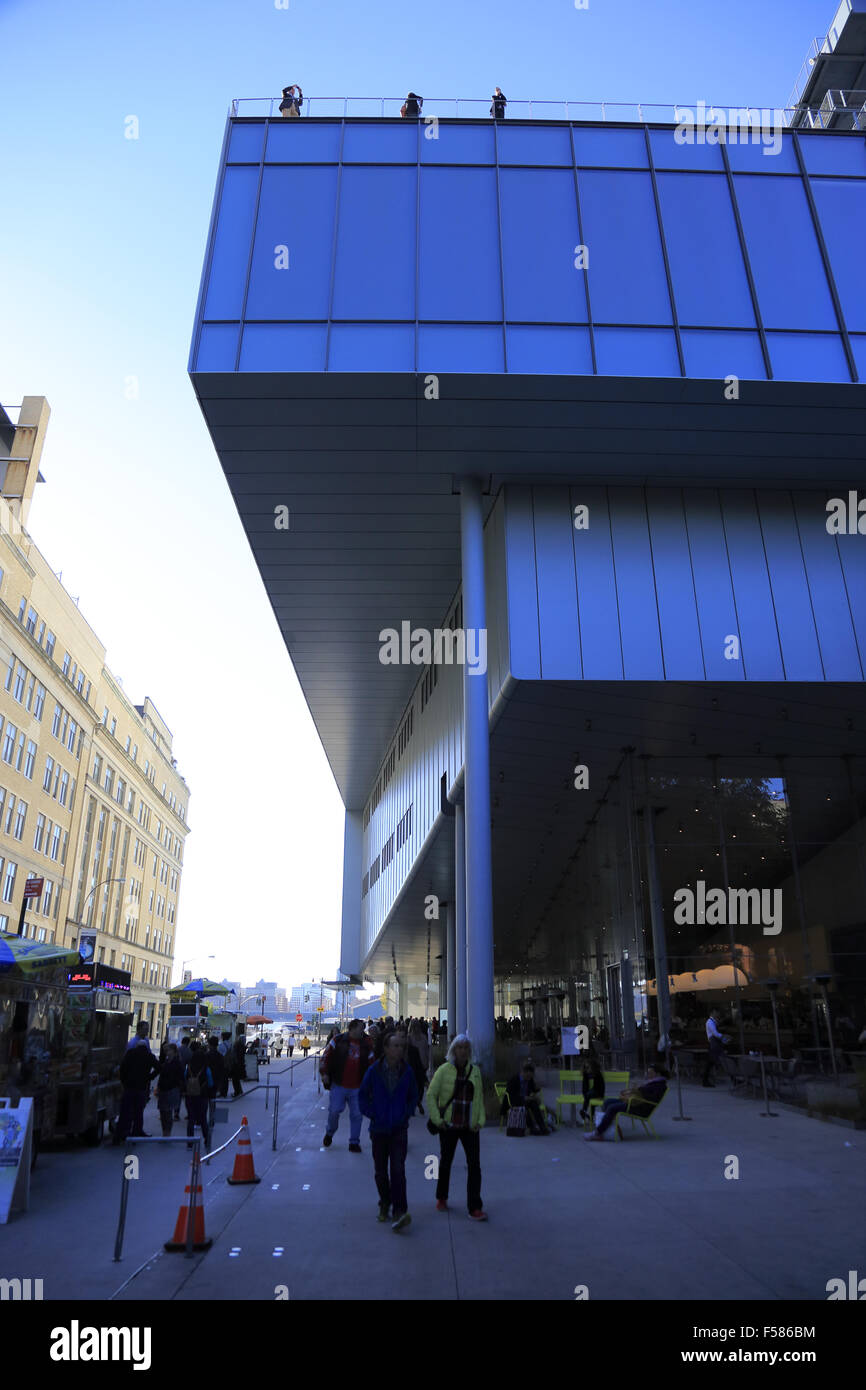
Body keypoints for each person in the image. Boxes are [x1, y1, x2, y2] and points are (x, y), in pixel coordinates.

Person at [358, 1030, 418, 1231]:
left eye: (401, 1046)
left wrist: (406, 1113)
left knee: (398, 1170)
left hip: (399, 1128)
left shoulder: (407, 1072)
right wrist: (372, 1113)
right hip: (379, 1128)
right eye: (395, 1046)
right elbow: (363, 1096)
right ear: (386, 1048)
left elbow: (414, 1095)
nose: (399, 1049)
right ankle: (385, 1202)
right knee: (381, 1172)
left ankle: (400, 1210)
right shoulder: (374, 1071)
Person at [427, 1034, 487, 1220]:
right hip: (449, 1125)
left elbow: (479, 1098)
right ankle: (442, 1197)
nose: (463, 1051)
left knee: (474, 1166)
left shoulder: (475, 1071)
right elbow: (431, 1095)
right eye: (459, 1047)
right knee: (445, 1162)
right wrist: (438, 1119)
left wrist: (481, 1120)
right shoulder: (444, 1070)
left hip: (469, 1125)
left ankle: (474, 1206)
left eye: (466, 1048)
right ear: (453, 1050)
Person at [320, 1019, 375, 1152]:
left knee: (357, 1114)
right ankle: (330, 1132)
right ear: (352, 1028)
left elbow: (372, 1063)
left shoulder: (367, 1043)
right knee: (334, 1111)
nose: (363, 1031)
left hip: (358, 1087)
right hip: (339, 1084)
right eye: (361, 1028)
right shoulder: (337, 1040)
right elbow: (325, 1057)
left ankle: (354, 1142)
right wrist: (324, 1073)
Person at [584, 1065, 668, 1142]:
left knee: (612, 1108)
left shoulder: (660, 1085)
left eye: (650, 1073)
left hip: (640, 1108)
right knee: (607, 1102)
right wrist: (636, 1091)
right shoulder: (653, 1082)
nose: (648, 1074)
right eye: (648, 1072)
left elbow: (651, 1098)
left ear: (658, 1074)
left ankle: (597, 1133)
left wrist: (639, 1091)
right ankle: (606, 1129)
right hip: (635, 1103)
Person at [116, 1037, 160, 1142]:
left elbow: (122, 1068)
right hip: (141, 1087)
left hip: (129, 1086)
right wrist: (149, 1077)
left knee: (125, 1112)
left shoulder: (130, 1054)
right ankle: (136, 1133)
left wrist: (124, 1080)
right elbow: (159, 1067)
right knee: (138, 1112)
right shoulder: (149, 1056)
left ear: (137, 1046)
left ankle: (121, 1134)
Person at [504, 1059, 549, 1134]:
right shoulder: (514, 1080)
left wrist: (535, 1094)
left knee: (534, 1104)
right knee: (524, 1107)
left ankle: (542, 1127)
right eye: (527, 1076)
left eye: (531, 1077)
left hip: (525, 1100)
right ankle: (532, 1128)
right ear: (523, 1073)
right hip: (514, 1101)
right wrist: (525, 1098)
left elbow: (532, 1090)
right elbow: (511, 1095)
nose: (529, 1078)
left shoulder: (529, 1079)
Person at [184, 1041, 213, 1150]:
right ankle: (207, 1140)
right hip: (202, 1096)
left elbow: (184, 1078)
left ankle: (189, 1142)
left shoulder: (189, 1068)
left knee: (191, 1119)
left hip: (190, 1095)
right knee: (203, 1119)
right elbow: (210, 1083)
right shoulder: (206, 1069)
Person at [156, 1044, 184, 1137]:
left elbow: (180, 1076)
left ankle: (167, 1132)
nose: (167, 1052)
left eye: (169, 1050)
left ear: (174, 1051)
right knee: (163, 1111)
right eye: (166, 1051)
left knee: (168, 1112)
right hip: (164, 1088)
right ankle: (165, 1130)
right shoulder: (166, 1062)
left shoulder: (177, 1063)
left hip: (172, 1088)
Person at [703, 1010, 730, 1087]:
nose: (717, 1013)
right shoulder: (710, 1022)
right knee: (714, 1062)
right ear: (712, 1013)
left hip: (715, 1043)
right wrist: (724, 1036)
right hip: (714, 1044)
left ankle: (705, 1080)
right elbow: (715, 1033)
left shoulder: (714, 1021)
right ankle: (705, 1081)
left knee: (712, 1062)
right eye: (716, 1012)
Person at [579, 1052, 605, 1124]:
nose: (586, 1069)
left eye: (588, 1067)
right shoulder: (586, 1074)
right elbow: (584, 1086)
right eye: (585, 1067)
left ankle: (584, 1111)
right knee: (589, 1096)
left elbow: (601, 1086)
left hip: (598, 1092)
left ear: (592, 1067)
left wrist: (602, 1096)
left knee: (589, 1095)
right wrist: (585, 1094)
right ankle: (591, 1116)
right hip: (591, 1093)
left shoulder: (597, 1073)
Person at [206, 1036, 225, 1130]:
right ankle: (212, 1119)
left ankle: (204, 1120)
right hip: (216, 1082)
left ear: (209, 1045)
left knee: (205, 1101)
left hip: (206, 1082)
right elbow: (222, 1071)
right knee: (213, 1102)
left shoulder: (206, 1055)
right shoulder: (220, 1056)